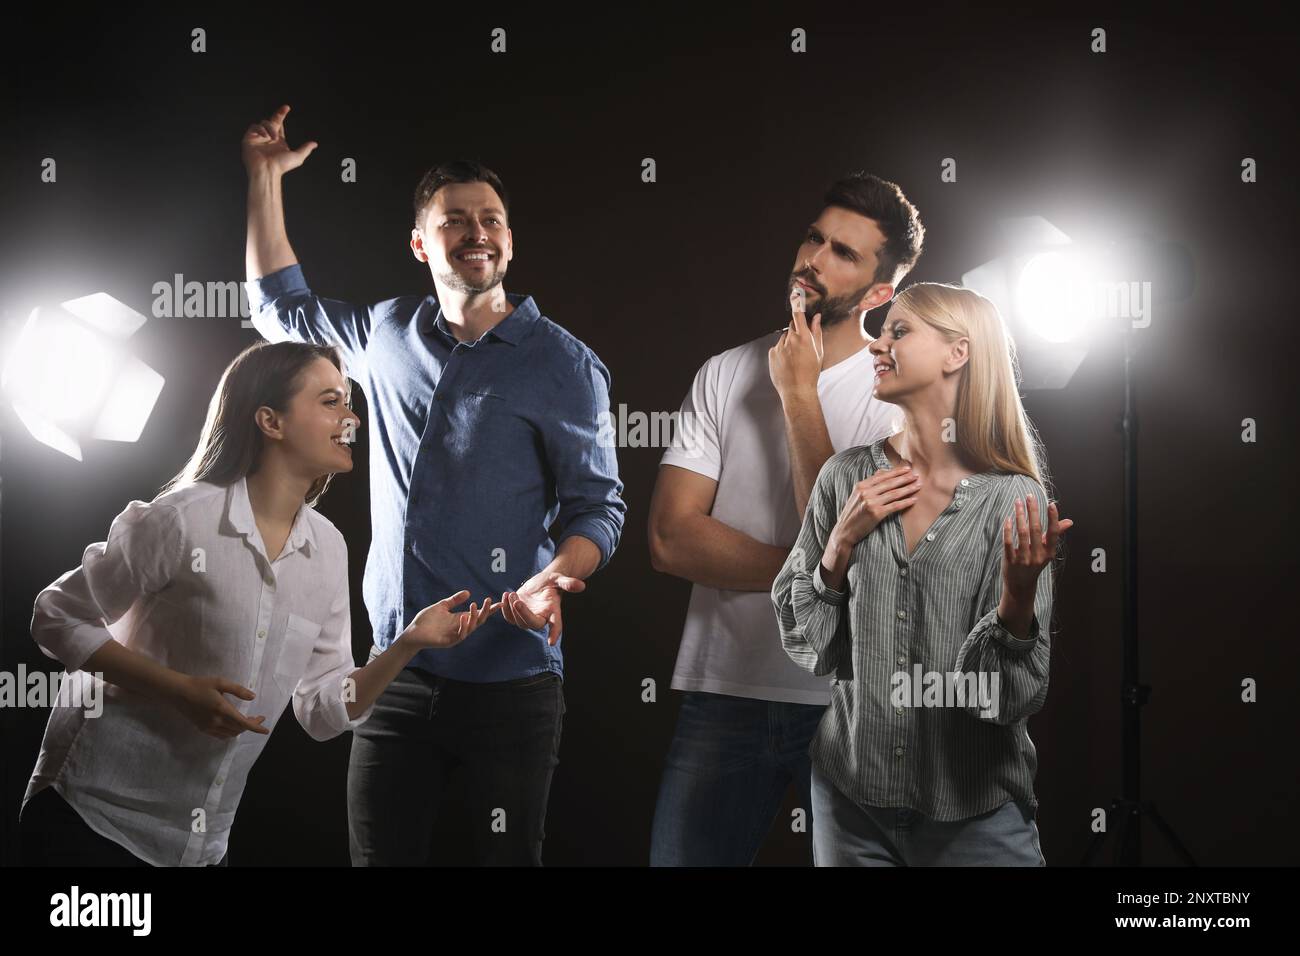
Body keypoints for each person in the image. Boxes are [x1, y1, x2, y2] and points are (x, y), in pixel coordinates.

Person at [241, 104, 625, 866]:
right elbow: (277, 309)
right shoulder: (386, 333)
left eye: (491, 219)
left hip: (511, 683)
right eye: (455, 220)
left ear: (510, 241)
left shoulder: (564, 364)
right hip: (396, 674)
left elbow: (598, 508)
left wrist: (554, 577)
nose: (477, 231)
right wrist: (263, 179)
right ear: (422, 243)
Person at [20, 341, 496, 867]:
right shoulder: (179, 520)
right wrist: (179, 690)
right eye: (331, 401)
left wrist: (408, 644)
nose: (351, 416)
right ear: (271, 421)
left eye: (349, 401)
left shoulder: (328, 548)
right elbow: (57, 616)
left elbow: (322, 710)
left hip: (202, 847)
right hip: (92, 823)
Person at [647, 173, 925, 865]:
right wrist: (808, 574)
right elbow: (670, 539)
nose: (815, 259)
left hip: (851, 705)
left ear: (879, 292)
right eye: (814, 238)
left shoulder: (903, 395)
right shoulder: (723, 372)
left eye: (844, 253)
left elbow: (865, 564)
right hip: (725, 691)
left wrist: (800, 393)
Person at [771, 281, 1073, 866]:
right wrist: (837, 549)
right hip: (849, 806)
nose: (877, 347)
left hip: (975, 816)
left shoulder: (1013, 500)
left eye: (898, 332)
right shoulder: (843, 479)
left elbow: (1007, 699)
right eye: (881, 333)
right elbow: (812, 653)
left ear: (957, 353)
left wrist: (1017, 598)